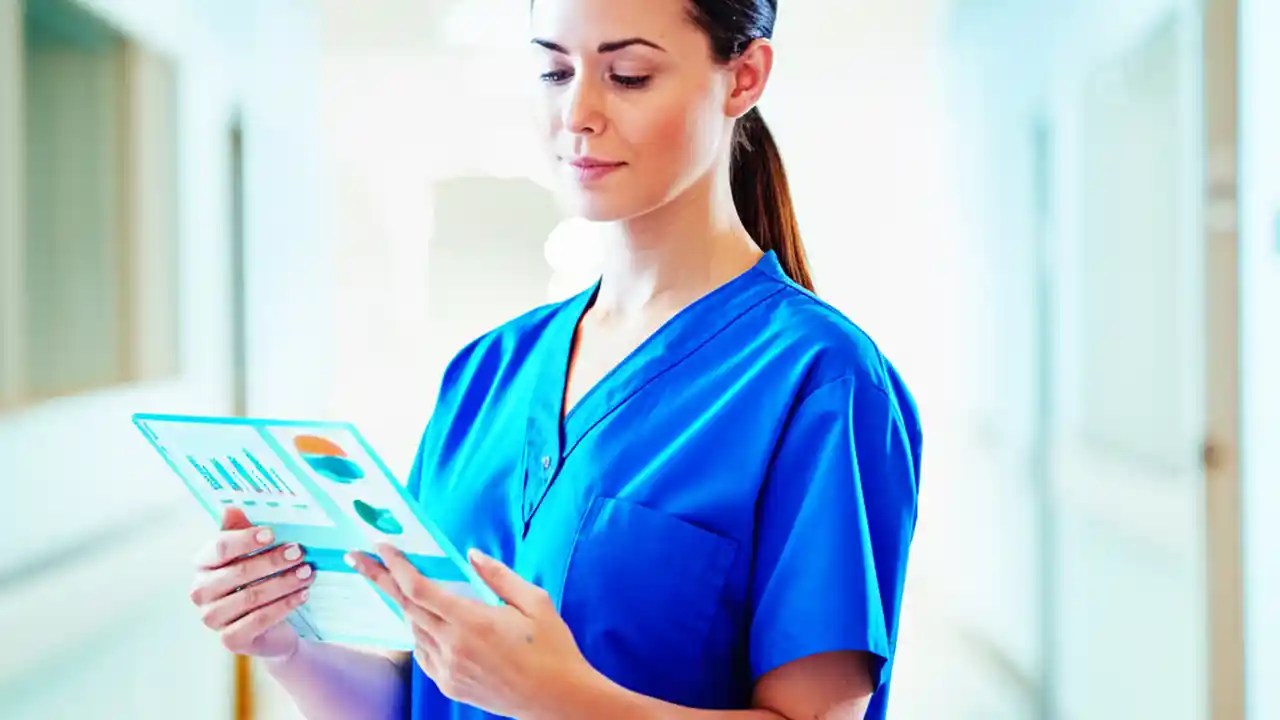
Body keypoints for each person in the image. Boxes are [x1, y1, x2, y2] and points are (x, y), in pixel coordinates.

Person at [186, 0, 923, 717]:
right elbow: (424, 699)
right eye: (553, 72)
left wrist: (561, 700)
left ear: (745, 76)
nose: (577, 115)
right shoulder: (487, 371)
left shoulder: (819, 380)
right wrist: (285, 646)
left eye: (628, 74)